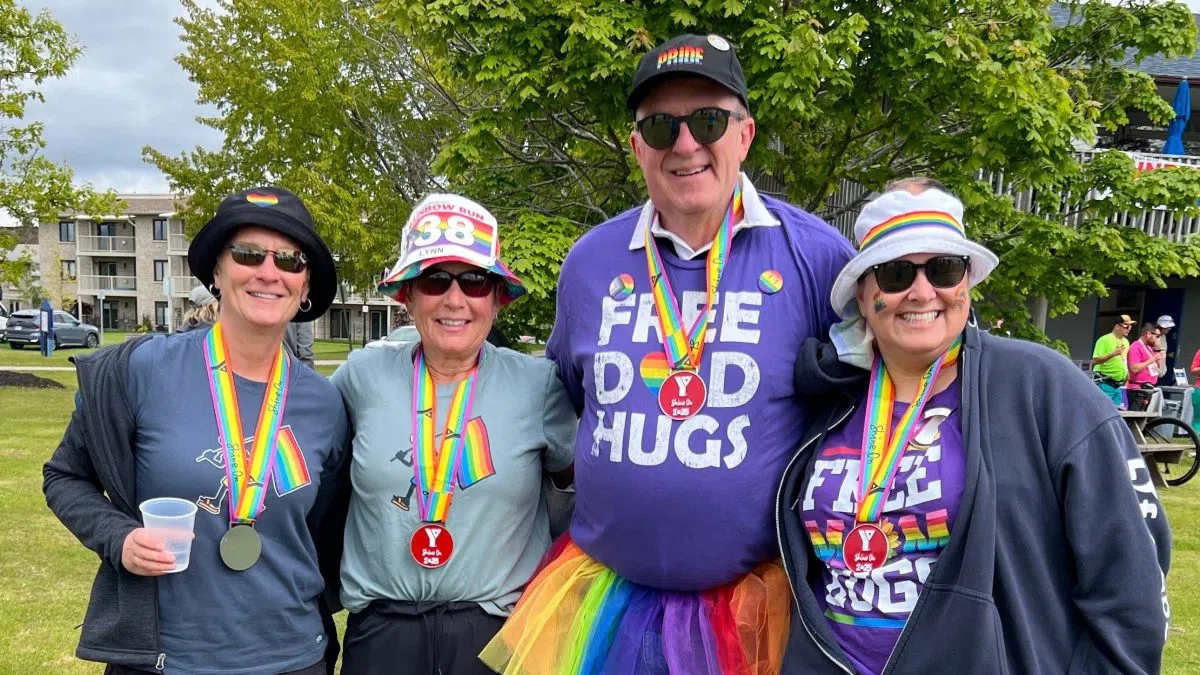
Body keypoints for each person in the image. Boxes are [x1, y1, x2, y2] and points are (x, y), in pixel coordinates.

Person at [480, 34, 854, 674]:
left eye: (708, 120)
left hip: (750, 615)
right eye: (659, 126)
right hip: (602, 604)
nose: (684, 144)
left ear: (744, 134)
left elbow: (869, 400)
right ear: (636, 147)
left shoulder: (817, 258)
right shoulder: (590, 262)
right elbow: (577, 396)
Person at [780, 179, 1171, 673]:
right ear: (864, 294)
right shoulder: (826, 400)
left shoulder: (1042, 388)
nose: (922, 291)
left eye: (944, 268)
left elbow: (1130, 576)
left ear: (966, 282)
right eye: (896, 273)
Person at [44, 186, 349, 675]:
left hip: (292, 656)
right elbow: (64, 476)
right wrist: (117, 537)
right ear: (217, 270)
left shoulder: (325, 403)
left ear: (305, 283)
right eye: (249, 254)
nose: (269, 272)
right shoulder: (139, 371)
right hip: (165, 660)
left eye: (290, 261)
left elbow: (325, 530)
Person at [329, 194, 577, 675]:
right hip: (382, 634)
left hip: (495, 636)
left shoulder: (539, 385)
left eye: (475, 281)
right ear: (408, 295)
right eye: (435, 279)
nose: (455, 299)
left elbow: (574, 487)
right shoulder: (360, 377)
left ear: (498, 297)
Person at [1091, 314, 1133, 406]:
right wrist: (1113, 354)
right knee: (1102, 410)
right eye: (1126, 326)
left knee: (1117, 412)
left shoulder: (1126, 342)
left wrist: (1126, 374)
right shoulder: (1104, 340)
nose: (1129, 329)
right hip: (1105, 382)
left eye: (1130, 326)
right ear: (1117, 326)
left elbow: (1123, 359)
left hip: (1118, 385)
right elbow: (1095, 360)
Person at [1127, 322, 1164, 391]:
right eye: (1157, 336)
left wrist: (1157, 350)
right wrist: (1153, 359)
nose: (1158, 339)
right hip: (1138, 388)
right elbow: (1134, 369)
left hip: (1148, 387)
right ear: (1149, 334)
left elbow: (1156, 366)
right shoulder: (1136, 346)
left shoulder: (1149, 348)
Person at [1155, 314, 1176, 386]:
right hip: (1152, 372)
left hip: (1161, 372)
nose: (1169, 328)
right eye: (1168, 326)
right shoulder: (1153, 337)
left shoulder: (1163, 337)